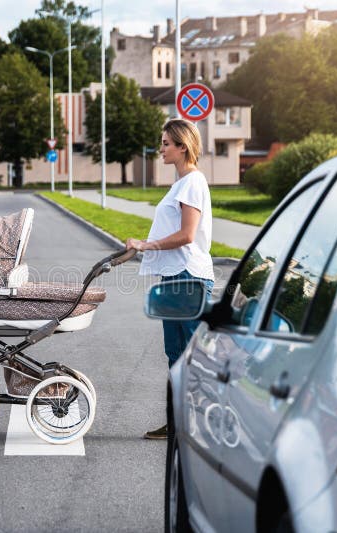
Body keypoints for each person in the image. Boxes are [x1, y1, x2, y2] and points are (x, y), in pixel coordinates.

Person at [126, 118, 215, 440]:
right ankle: (179, 423)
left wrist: (147, 245)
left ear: (182, 146)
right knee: (176, 353)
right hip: (174, 275)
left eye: (166, 143)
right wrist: (142, 244)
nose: (161, 149)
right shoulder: (181, 184)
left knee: (188, 355)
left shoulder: (192, 182)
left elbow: (187, 235)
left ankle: (201, 424)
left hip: (187, 276)